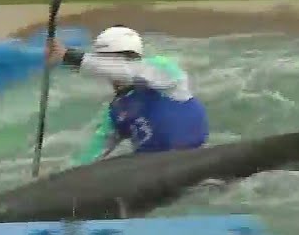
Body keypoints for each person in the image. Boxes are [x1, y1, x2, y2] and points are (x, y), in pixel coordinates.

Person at [46, 27, 209, 160]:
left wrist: (67, 55)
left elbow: (127, 70)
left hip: (192, 158)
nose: (104, 69)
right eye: (100, 60)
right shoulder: (116, 110)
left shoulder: (165, 73)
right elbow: (92, 155)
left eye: (106, 61)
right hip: (151, 170)